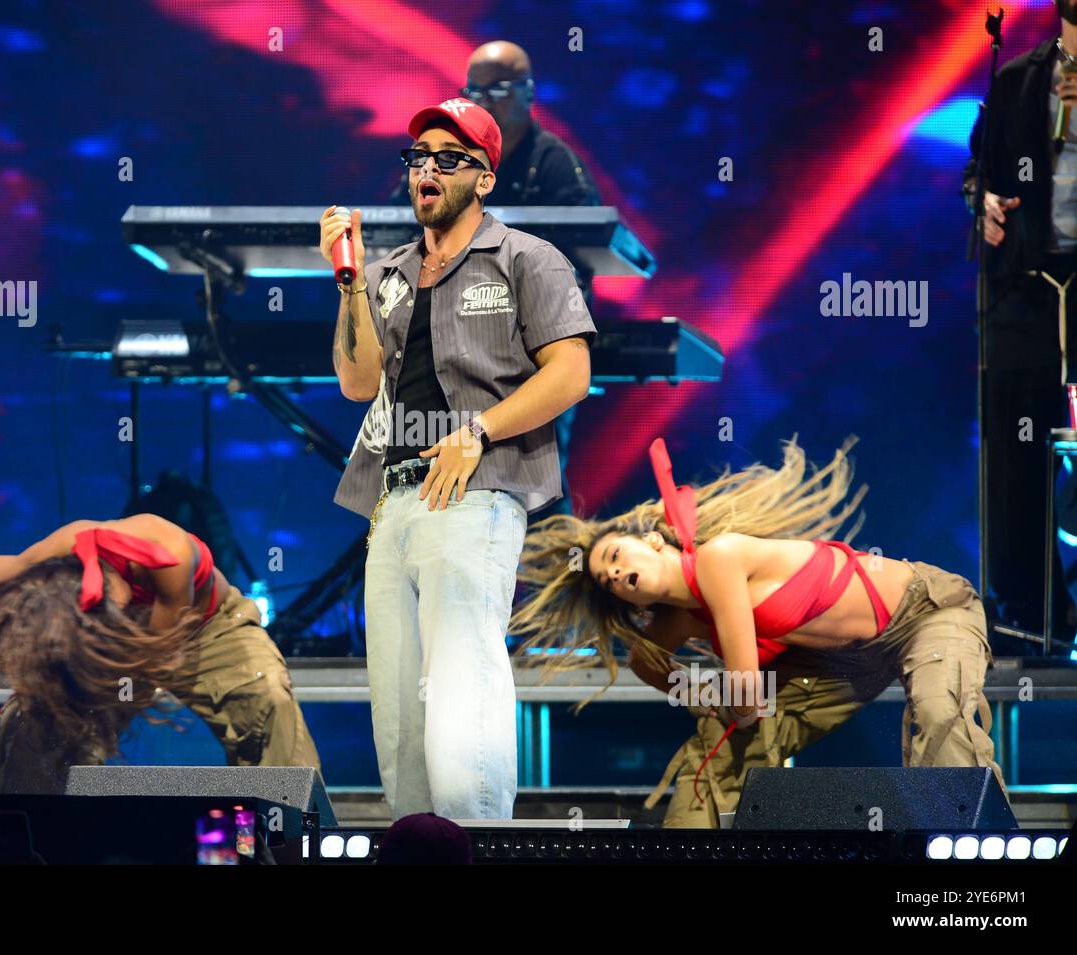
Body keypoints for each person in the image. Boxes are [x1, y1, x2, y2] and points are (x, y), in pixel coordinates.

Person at [322, 98, 596, 819]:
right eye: (418, 158)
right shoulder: (385, 273)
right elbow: (356, 382)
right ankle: (418, 847)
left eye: (449, 158)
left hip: (475, 490)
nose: (428, 170)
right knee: (398, 706)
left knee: (459, 685)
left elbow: (570, 372)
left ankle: (477, 844)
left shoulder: (527, 259)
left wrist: (479, 431)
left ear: (484, 179)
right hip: (393, 501)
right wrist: (348, 282)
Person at [510, 436, 1007, 826]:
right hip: (840, 663)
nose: (617, 575)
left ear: (652, 542)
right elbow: (646, 663)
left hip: (927, 612)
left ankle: (972, 864)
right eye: (608, 581)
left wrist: (728, 699)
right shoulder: (678, 617)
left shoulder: (718, 557)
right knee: (719, 743)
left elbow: (746, 693)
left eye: (616, 557)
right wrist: (702, 695)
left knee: (942, 714)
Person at [0, 513, 320, 793]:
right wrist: (13, 648)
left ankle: (289, 842)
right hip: (103, 651)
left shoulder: (167, 554)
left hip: (204, 629)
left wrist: (107, 682)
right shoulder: (41, 564)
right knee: (32, 721)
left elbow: (156, 657)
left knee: (266, 696)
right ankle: (26, 842)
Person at [388, 40, 601, 516]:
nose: (485, 100)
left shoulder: (553, 162)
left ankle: (541, 578)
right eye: (474, 90)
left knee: (536, 483)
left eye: (499, 90)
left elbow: (583, 245)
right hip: (454, 331)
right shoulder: (438, 166)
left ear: (529, 92)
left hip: (527, 332)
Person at [964, 0, 1077, 644]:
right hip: (1027, 295)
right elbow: (979, 170)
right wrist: (980, 203)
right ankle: (1032, 620)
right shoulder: (1015, 80)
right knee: (1017, 455)